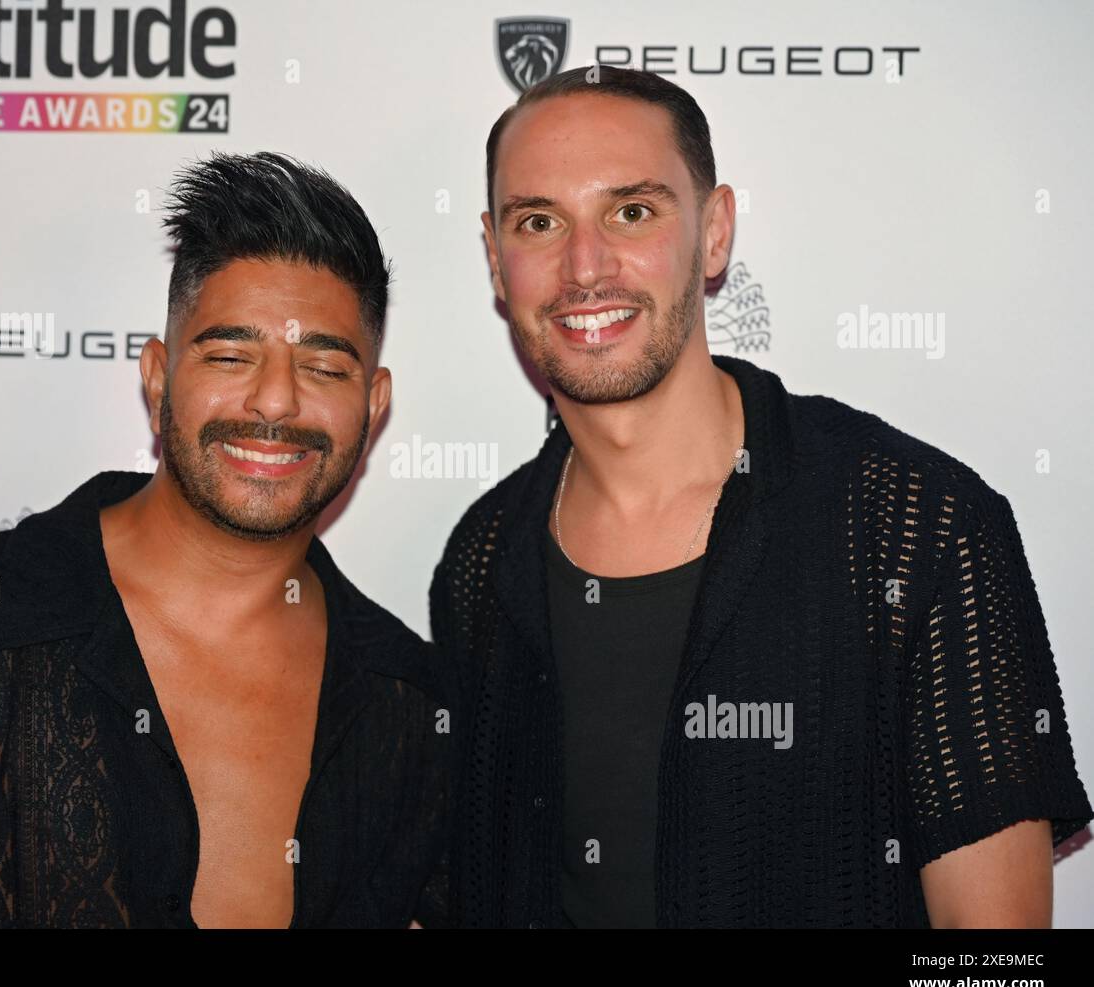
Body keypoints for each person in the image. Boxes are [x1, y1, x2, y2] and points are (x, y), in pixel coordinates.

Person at [429, 65, 1092, 928]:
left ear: (714, 234)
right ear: (495, 258)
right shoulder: (481, 560)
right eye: (540, 222)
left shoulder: (917, 525)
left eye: (632, 212)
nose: (584, 267)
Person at [0, 151, 452, 929]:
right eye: (231, 355)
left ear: (374, 404)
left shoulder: (411, 704)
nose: (276, 399)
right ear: (158, 376)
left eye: (324, 367)